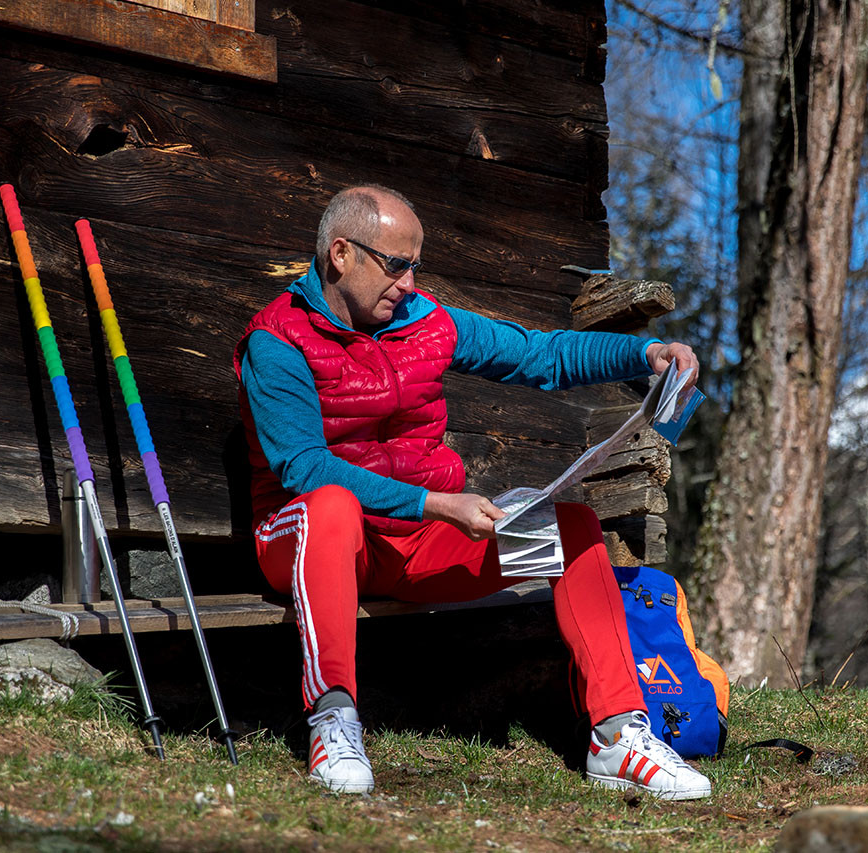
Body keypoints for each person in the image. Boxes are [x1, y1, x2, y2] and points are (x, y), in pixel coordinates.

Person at [234, 185, 710, 799]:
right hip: (312, 541)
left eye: (416, 266)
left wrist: (645, 352)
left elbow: (541, 355)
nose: (408, 282)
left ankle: (618, 734)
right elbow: (304, 468)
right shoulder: (277, 339)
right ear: (341, 253)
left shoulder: (428, 322)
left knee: (571, 529)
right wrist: (438, 505)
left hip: (419, 546)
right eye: (395, 264)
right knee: (331, 504)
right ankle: (334, 721)